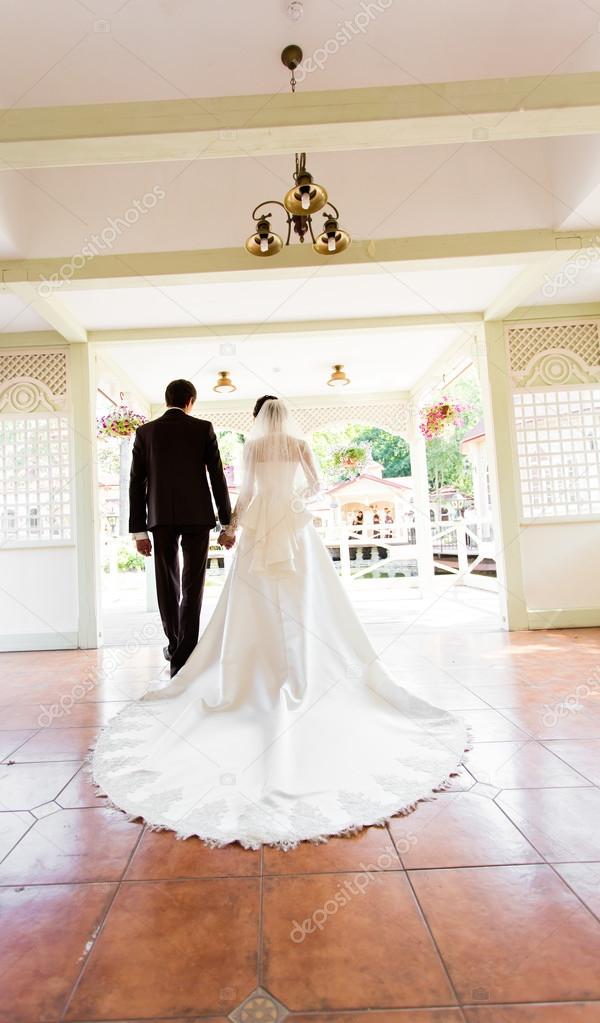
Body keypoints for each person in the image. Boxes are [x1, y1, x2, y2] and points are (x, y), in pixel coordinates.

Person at [94, 396, 468, 849]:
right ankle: (300, 671)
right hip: (293, 530)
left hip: (259, 532)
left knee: (250, 604)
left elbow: (246, 493)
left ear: (256, 419)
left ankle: (243, 668)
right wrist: (290, 502)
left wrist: (232, 526)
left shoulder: (251, 449)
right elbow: (315, 486)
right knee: (305, 605)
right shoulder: (298, 443)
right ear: (284, 416)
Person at [129, 378, 232, 677]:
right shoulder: (203, 429)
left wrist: (139, 531)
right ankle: (185, 652)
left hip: (160, 519)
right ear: (191, 401)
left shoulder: (145, 432)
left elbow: (136, 484)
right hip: (198, 516)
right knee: (192, 584)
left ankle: (175, 647)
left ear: (167, 400)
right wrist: (226, 521)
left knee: (167, 583)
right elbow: (217, 478)